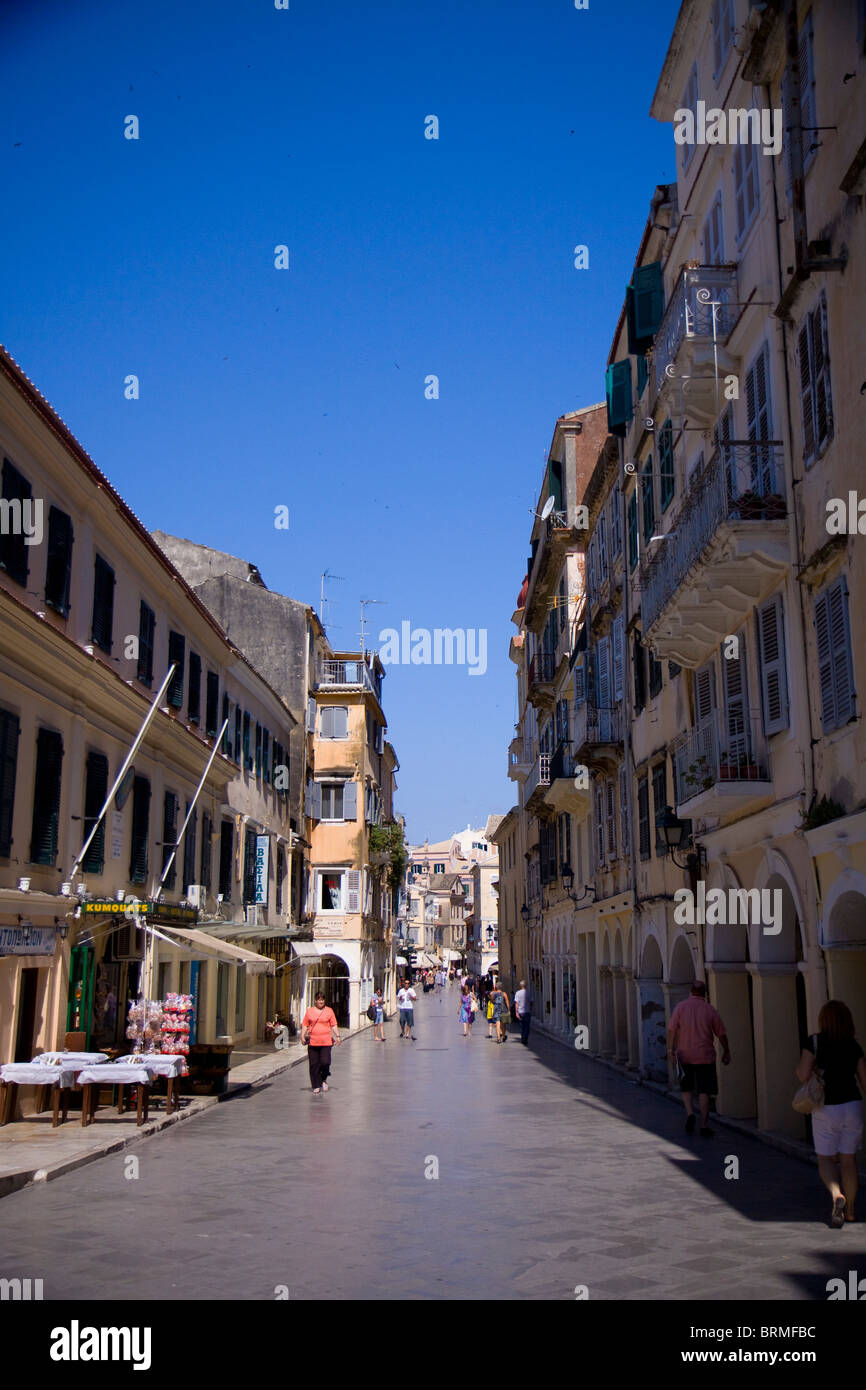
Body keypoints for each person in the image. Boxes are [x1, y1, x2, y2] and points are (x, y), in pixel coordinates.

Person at [796, 999, 866, 1227]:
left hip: (826, 1107)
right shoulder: (853, 1046)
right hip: (852, 1105)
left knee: (825, 1159)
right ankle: (852, 1211)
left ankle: (837, 1195)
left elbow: (803, 1074)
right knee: (848, 1160)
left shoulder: (815, 1042)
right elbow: (864, 1080)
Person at [668, 980, 730, 1136]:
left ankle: (689, 1113)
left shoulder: (680, 1007)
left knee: (686, 1087)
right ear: (704, 993)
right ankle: (704, 1125)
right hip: (705, 1056)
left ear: (691, 992)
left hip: (684, 1055)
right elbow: (721, 1033)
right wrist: (726, 1051)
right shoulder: (710, 1010)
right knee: (704, 1091)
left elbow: (672, 1029)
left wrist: (670, 1049)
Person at [301, 992, 341, 1095]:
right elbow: (305, 1024)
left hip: (326, 1041)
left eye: (322, 999)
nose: (321, 1001)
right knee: (314, 1065)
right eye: (319, 999)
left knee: (325, 1062)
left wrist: (337, 1036)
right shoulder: (310, 1011)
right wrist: (302, 1036)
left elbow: (334, 1024)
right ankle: (316, 1085)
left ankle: (323, 1079)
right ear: (315, 1000)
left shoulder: (329, 1011)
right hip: (313, 1042)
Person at [514, 979, 532, 1046]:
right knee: (527, 1026)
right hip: (527, 1011)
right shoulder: (529, 992)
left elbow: (516, 1003)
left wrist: (516, 1012)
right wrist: (530, 1008)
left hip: (520, 1012)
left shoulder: (518, 993)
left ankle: (523, 1037)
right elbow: (531, 1002)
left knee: (522, 1026)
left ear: (520, 985)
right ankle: (525, 1038)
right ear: (526, 985)